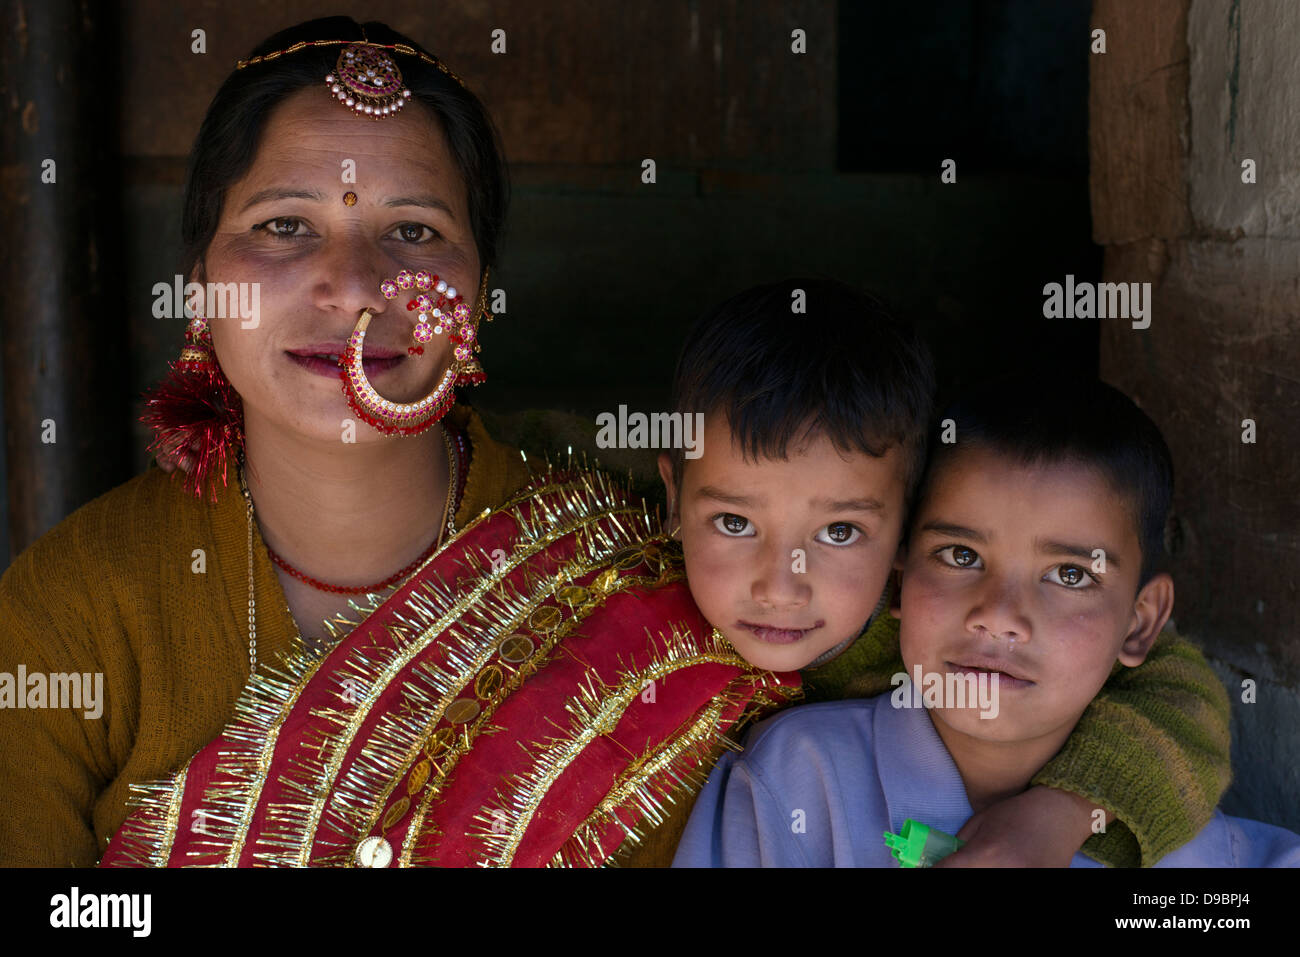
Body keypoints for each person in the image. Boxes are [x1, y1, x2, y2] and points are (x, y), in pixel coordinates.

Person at [1, 16, 789, 869]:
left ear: (480, 296)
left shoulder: (632, 600)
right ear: (200, 288)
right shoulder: (71, 610)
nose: (354, 285)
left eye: (413, 231)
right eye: (283, 225)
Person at [647, 280, 1236, 867]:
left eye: (839, 533)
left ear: (901, 546)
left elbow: (1179, 699)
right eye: (733, 521)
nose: (779, 588)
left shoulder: (920, 630)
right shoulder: (619, 602)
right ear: (674, 500)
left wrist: (1060, 815)